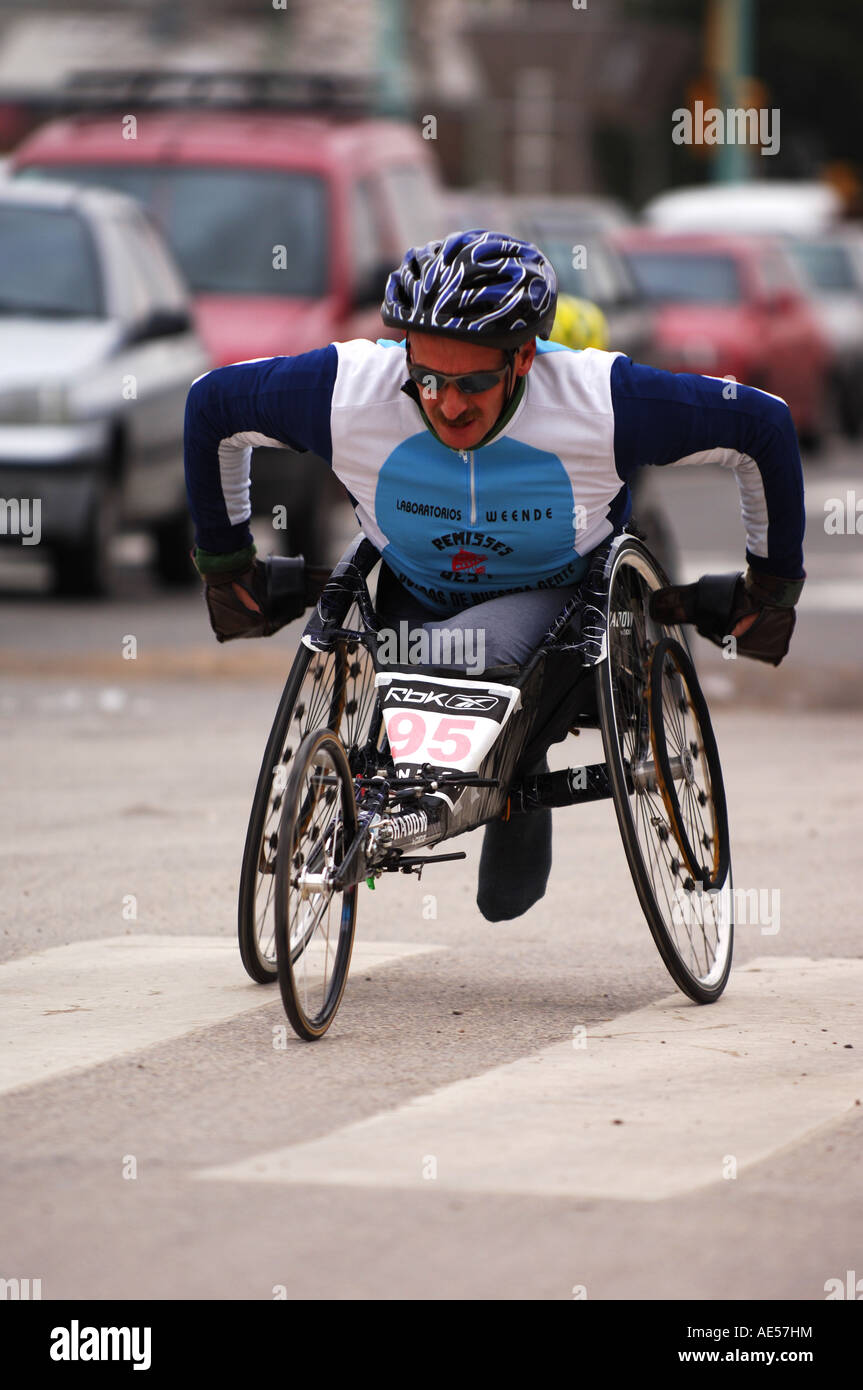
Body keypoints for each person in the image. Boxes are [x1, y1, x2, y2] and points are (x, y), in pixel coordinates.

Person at [184, 228, 805, 922]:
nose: (448, 404)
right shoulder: (345, 391)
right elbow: (211, 405)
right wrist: (226, 564)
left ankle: (512, 763)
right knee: (427, 659)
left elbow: (764, 428)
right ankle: (503, 766)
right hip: (410, 594)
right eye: (427, 379)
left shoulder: (599, 403)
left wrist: (770, 586)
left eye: (473, 383)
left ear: (524, 360)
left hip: (551, 595)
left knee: (473, 650)